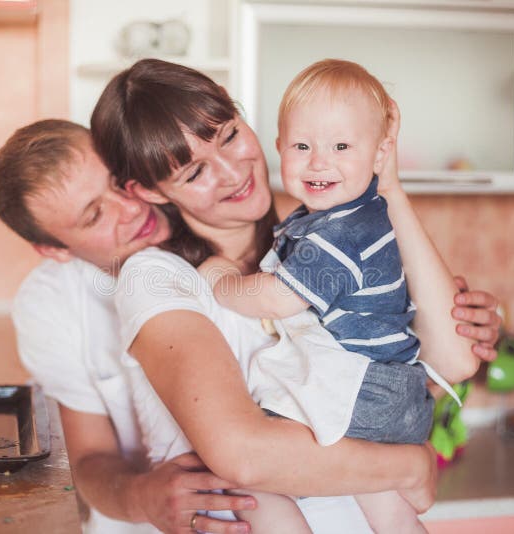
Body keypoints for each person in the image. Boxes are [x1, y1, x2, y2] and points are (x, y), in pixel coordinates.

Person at [89, 58, 499, 532]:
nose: (232, 172)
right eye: (195, 172)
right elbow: (244, 455)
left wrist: (386, 184)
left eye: (230, 136)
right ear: (150, 191)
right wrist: (410, 466)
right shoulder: (159, 277)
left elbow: (454, 362)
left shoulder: (314, 241)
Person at [197, 58, 465, 533]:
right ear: (280, 147)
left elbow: (278, 299)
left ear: (380, 155)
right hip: (389, 394)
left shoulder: (342, 233)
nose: (319, 161)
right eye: (302, 146)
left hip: (364, 393)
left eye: (341, 146)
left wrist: (222, 280)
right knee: (381, 499)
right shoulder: (334, 218)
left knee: (254, 474)